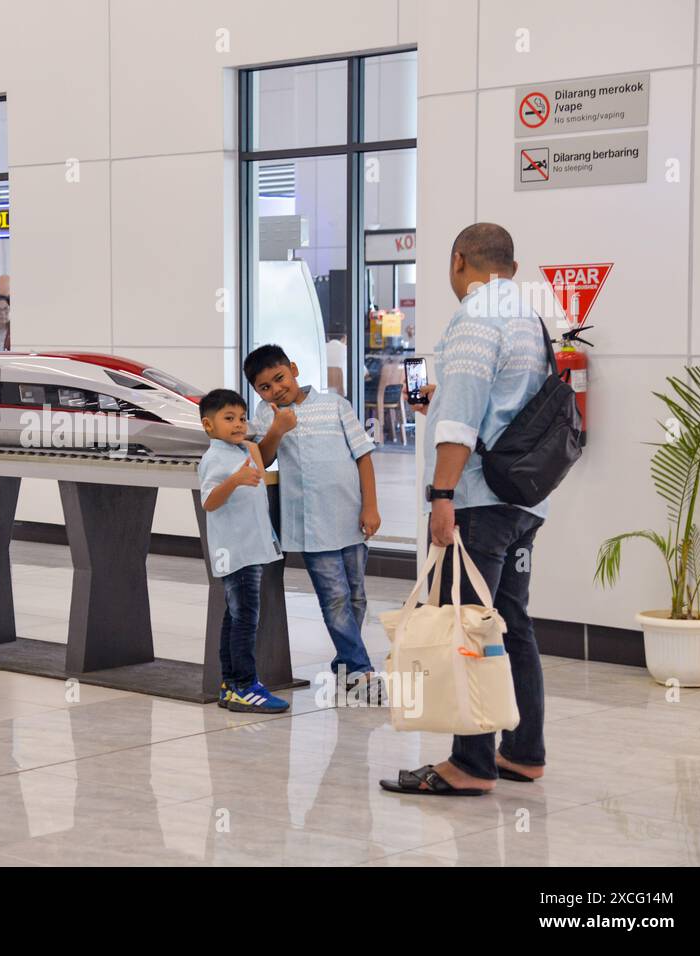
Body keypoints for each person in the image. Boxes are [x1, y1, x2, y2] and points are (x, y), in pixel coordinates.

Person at [380, 222, 550, 797]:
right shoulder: (529, 317)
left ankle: (470, 764)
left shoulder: (475, 319)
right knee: (511, 623)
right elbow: (505, 412)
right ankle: (524, 752)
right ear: (511, 264)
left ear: (459, 262)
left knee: (463, 623)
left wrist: (443, 496)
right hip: (523, 501)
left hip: (476, 500)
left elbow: (460, 421)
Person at [246, 345, 383, 699]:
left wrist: (370, 506)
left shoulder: (336, 404)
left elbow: (363, 456)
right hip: (309, 525)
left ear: (293, 369)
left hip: (350, 517)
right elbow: (262, 458)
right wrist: (277, 428)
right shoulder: (266, 414)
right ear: (258, 393)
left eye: (279, 378)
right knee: (334, 599)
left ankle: (345, 663)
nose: (275, 389)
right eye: (265, 387)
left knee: (356, 598)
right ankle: (361, 671)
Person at [197, 388, 288, 713]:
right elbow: (208, 501)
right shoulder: (215, 459)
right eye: (229, 418)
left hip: (251, 549)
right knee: (246, 618)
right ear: (209, 426)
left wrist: (260, 440)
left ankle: (232, 684)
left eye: (241, 417)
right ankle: (245, 685)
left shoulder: (241, 451)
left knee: (235, 618)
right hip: (236, 553)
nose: (238, 424)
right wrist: (233, 481)